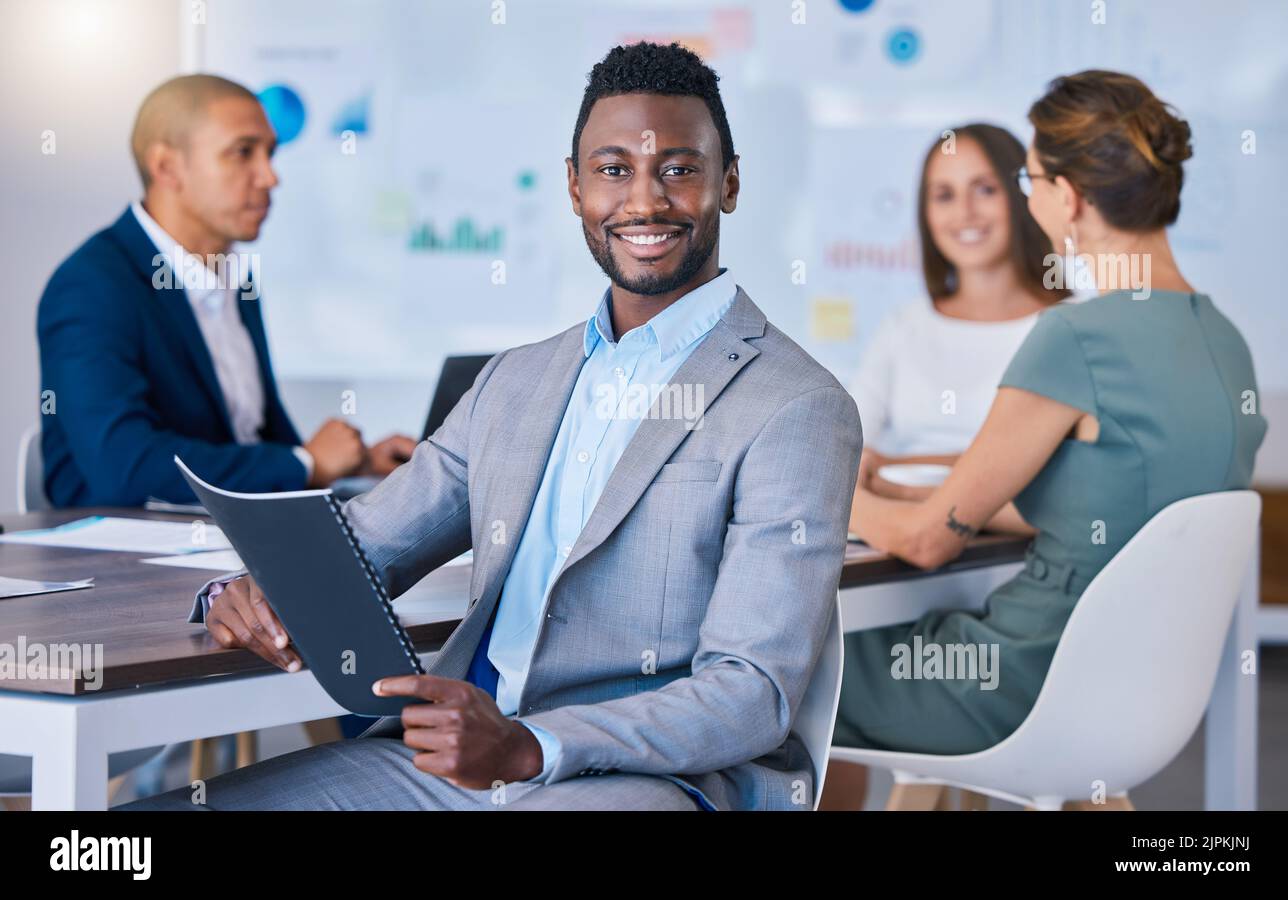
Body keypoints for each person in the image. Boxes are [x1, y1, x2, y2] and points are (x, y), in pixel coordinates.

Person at [120, 42, 861, 812]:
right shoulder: (513, 381)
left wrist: (536, 745)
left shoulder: (797, 405)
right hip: (450, 765)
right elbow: (364, 549)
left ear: (728, 183)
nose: (645, 201)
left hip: (648, 780)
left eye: (679, 169)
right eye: (613, 170)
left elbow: (751, 692)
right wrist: (239, 594)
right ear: (574, 189)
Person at [823, 69, 1268, 809]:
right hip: (1138, 699)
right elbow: (1113, 505)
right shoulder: (1226, 344)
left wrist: (835, 495)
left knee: (776, 670)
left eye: (1027, 180)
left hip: (1023, 679)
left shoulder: (1075, 338)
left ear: (1067, 197)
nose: (1029, 199)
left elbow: (930, 544)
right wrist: (901, 493)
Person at [36, 74, 414, 508]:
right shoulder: (90, 285)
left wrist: (356, 463)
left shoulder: (237, 277)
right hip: (122, 563)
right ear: (167, 167)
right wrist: (304, 464)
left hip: (229, 542)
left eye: (270, 153)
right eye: (243, 152)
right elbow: (126, 469)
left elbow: (251, 439)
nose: (270, 177)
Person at [851, 124, 1067, 496]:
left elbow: (1052, 467)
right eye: (944, 195)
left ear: (1023, 196)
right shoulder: (904, 327)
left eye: (985, 190)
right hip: (888, 532)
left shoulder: (1070, 327)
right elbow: (849, 446)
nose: (965, 213)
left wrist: (892, 468)